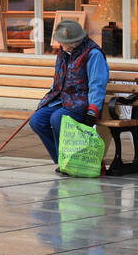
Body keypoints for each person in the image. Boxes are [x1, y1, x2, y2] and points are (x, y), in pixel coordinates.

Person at [28, 19, 108, 171]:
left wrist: (93, 109)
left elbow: (97, 85)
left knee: (58, 118)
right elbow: (58, 78)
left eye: (62, 40)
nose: (59, 43)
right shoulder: (64, 52)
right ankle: (63, 160)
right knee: (37, 119)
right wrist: (45, 101)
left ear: (74, 42)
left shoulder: (93, 54)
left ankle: (67, 162)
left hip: (81, 103)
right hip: (61, 101)